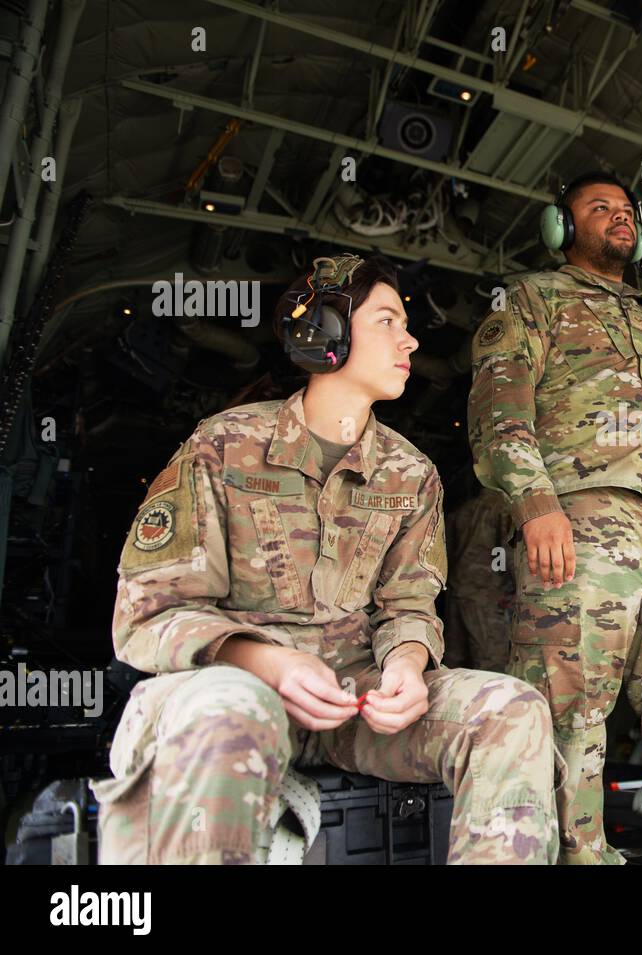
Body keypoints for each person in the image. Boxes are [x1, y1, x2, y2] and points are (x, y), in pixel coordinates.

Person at [93, 253, 560, 864]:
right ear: (326, 334)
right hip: (236, 689)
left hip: (356, 702)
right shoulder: (224, 445)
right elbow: (147, 614)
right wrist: (268, 663)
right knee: (227, 708)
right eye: (388, 321)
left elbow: (410, 604)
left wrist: (408, 666)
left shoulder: (412, 473)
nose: (411, 339)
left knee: (512, 709)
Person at [467, 172, 642, 865]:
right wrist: (534, 502)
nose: (619, 218)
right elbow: (499, 411)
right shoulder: (533, 298)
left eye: (626, 211)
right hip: (580, 529)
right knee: (569, 715)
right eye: (600, 209)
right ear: (561, 227)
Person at [442, 485, 515, 673]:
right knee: (492, 660)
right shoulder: (503, 508)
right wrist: (509, 585)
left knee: (453, 658)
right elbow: (503, 552)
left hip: (457, 588)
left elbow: (446, 551)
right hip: (487, 592)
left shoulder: (463, 509)